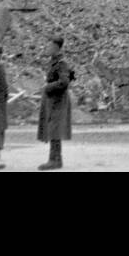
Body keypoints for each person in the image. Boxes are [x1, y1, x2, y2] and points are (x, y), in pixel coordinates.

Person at [37, 37, 74, 170]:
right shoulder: (55, 62)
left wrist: (47, 87)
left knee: (55, 129)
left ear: (57, 48)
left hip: (58, 101)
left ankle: (55, 160)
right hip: (53, 100)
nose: (47, 48)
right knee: (53, 129)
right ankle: (54, 159)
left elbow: (64, 82)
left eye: (50, 46)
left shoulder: (61, 63)